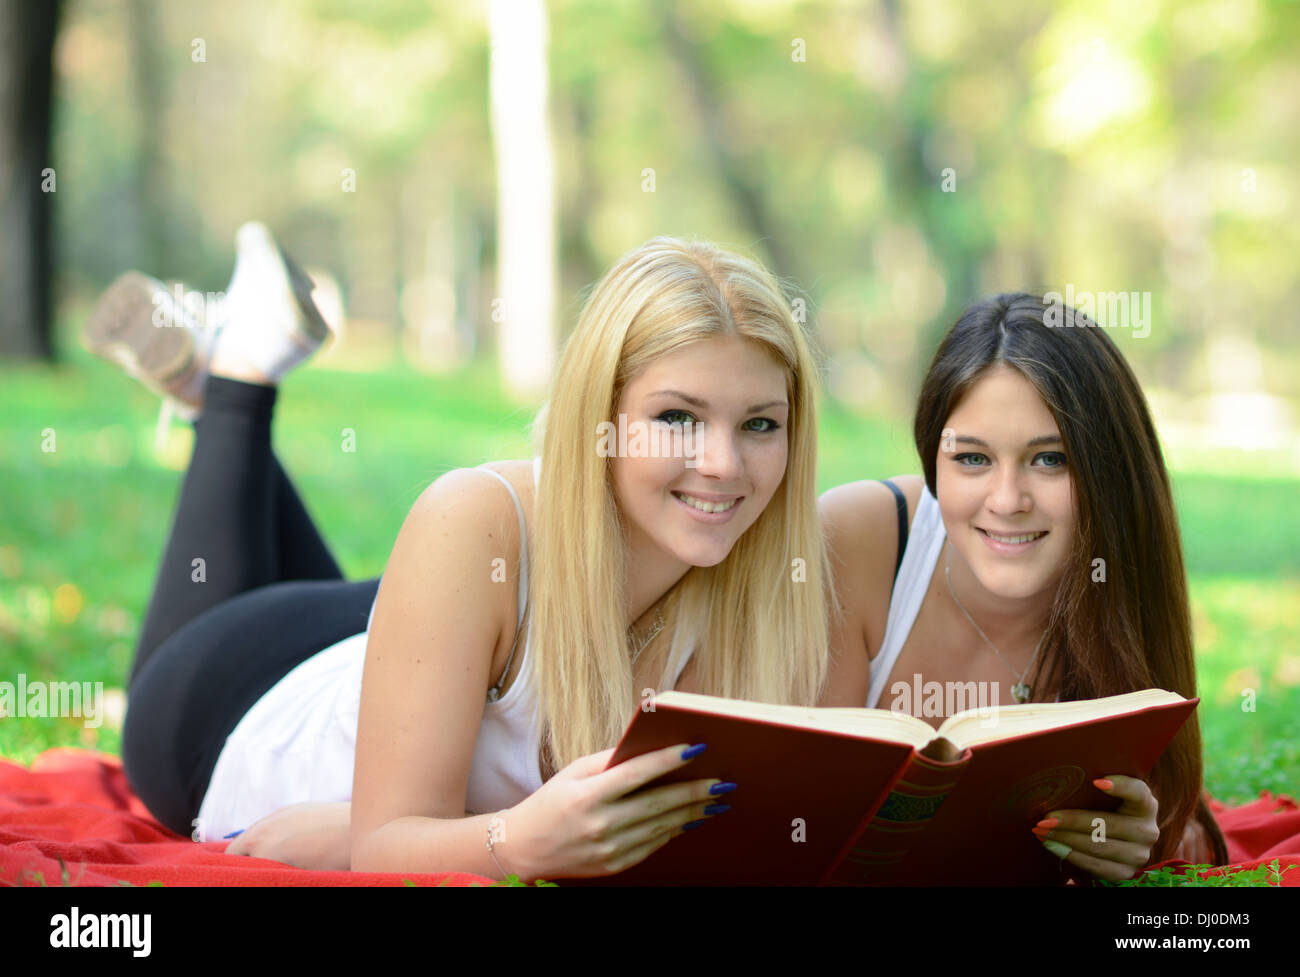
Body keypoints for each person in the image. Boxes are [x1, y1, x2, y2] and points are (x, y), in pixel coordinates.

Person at [104, 228, 832, 881]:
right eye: (677, 416)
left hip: (402, 638)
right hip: (227, 699)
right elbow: (393, 848)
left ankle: (209, 385)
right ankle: (236, 380)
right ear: (598, 414)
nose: (724, 463)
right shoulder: (478, 518)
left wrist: (370, 830)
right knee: (462, 563)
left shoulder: (765, 572)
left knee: (459, 597)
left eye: (760, 423)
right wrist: (481, 839)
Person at [817, 292, 1229, 882]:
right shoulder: (858, 536)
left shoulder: (1117, 588)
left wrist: (1139, 843)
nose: (1007, 501)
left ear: (1109, 469)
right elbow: (804, 812)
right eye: (973, 459)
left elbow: (1179, 827)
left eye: (1051, 459)